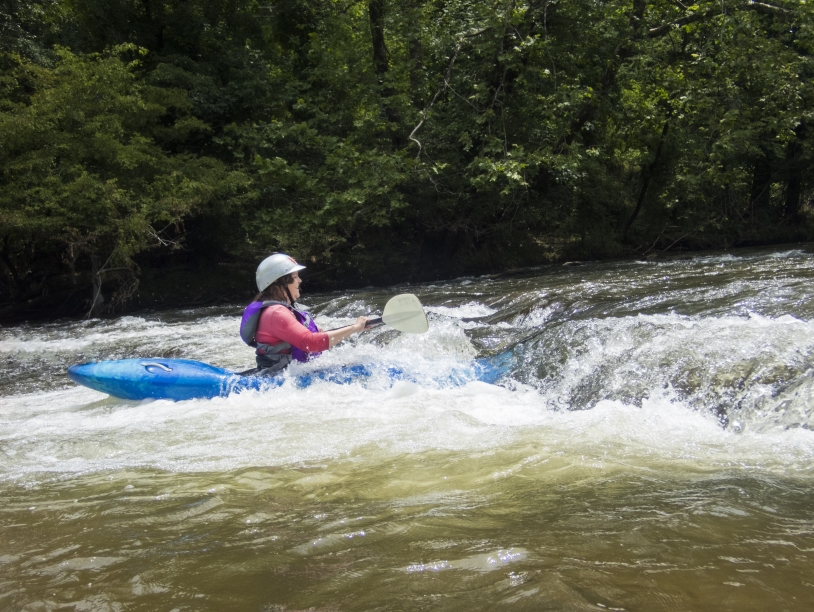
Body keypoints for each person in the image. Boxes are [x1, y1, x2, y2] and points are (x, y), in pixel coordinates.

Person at [239, 253, 369, 375]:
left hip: (287, 374)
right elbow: (310, 343)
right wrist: (355, 328)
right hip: (277, 378)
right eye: (295, 277)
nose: (300, 280)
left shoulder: (278, 310)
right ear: (279, 283)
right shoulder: (275, 313)